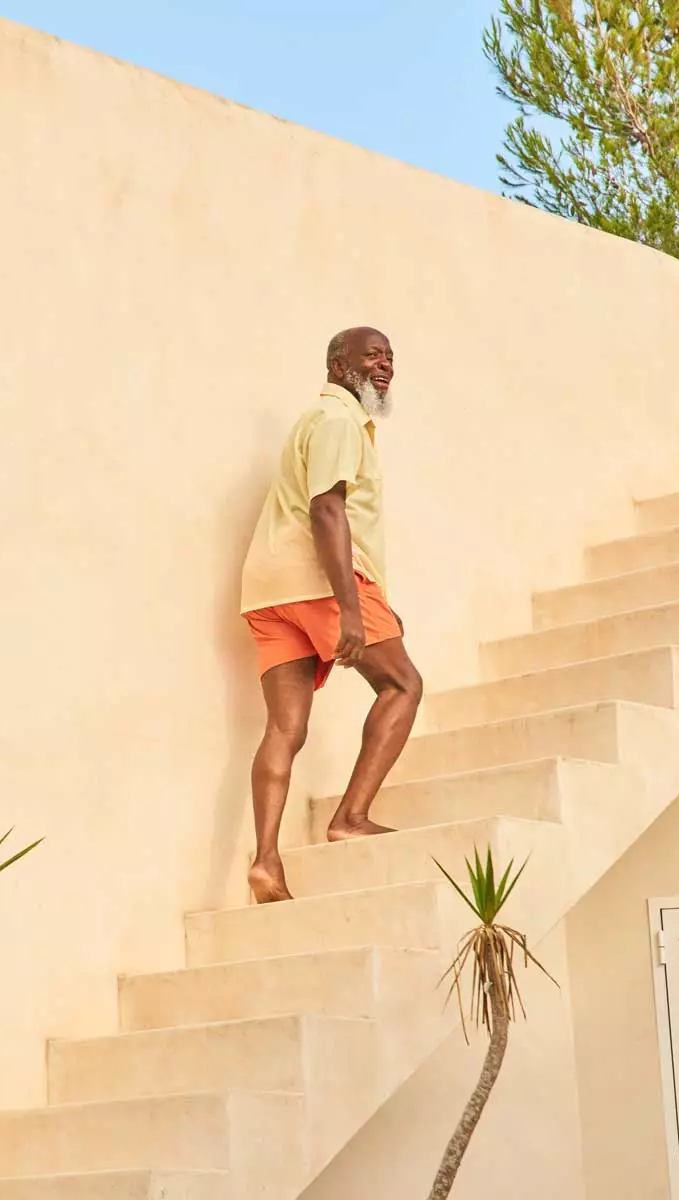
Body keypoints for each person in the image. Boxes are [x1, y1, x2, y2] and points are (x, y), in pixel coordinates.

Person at [236, 326, 424, 904]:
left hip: (268, 589)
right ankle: (351, 816)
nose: (386, 365)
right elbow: (326, 511)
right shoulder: (339, 422)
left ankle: (267, 862)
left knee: (285, 730)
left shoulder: (316, 422)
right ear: (340, 365)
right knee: (402, 684)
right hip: (319, 581)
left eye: (390, 356)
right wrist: (351, 607)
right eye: (373, 356)